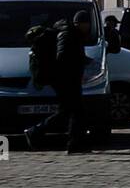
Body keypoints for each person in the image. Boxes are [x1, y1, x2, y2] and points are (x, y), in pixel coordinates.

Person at [26, 10, 92, 153]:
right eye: (86, 23)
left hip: (68, 80)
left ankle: (74, 144)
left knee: (70, 111)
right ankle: (36, 132)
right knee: (75, 111)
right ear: (80, 23)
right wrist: (78, 63)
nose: (88, 27)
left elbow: (72, 55)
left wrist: (85, 61)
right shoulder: (67, 34)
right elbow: (62, 57)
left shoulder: (73, 34)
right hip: (66, 80)